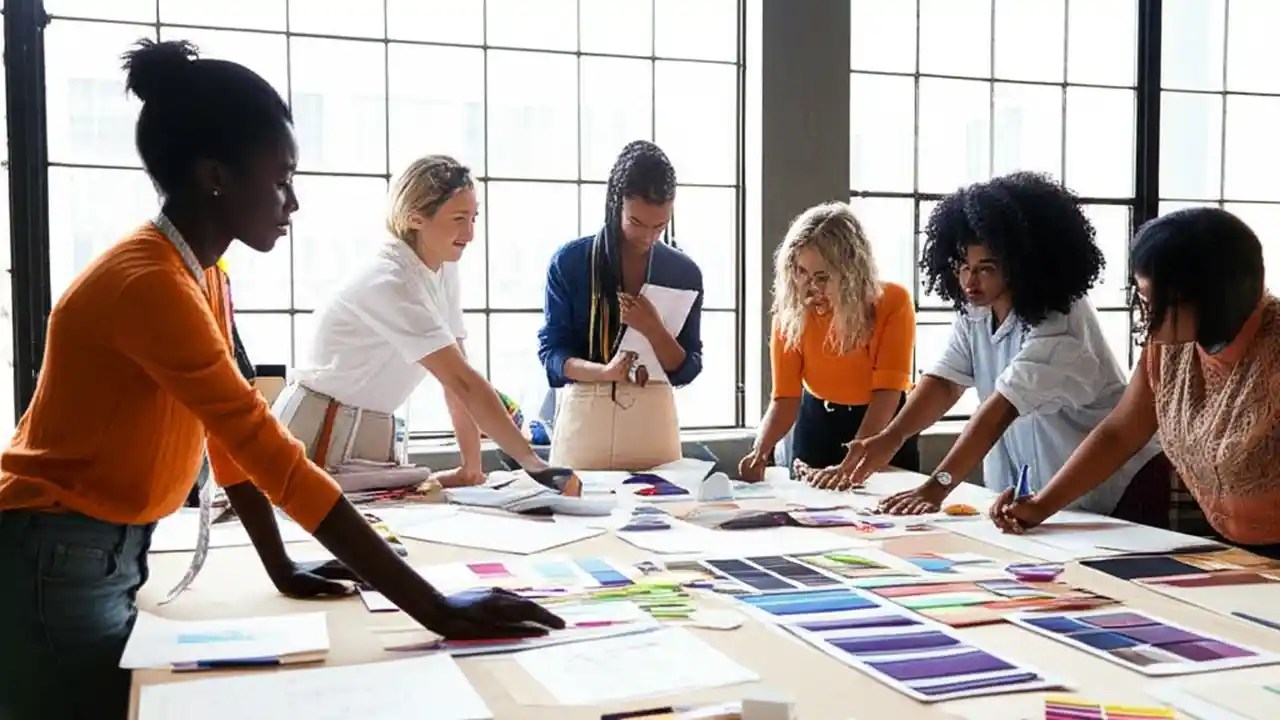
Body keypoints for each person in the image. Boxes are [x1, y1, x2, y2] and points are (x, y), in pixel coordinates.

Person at [0, 40, 563, 720]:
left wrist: (282, 567)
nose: (292, 202)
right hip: (56, 557)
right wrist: (434, 607)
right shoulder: (149, 284)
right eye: (280, 178)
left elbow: (224, 432)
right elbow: (265, 446)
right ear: (216, 175)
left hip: (100, 551)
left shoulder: (202, 273)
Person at [821, 172, 1170, 526]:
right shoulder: (977, 310)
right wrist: (891, 436)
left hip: (1118, 489)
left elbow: (1000, 409)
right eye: (962, 267)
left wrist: (937, 486)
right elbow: (944, 382)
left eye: (986, 269)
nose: (970, 282)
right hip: (1054, 497)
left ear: (1021, 265)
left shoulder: (1061, 320)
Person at [992, 207, 1280, 556]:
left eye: (1152, 302)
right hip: (1235, 549)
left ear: (1212, 298)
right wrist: (1041, 505)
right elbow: (1120, 433)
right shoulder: (1169, 348)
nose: (1144, 315)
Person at [276, 155, 567, 494]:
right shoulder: (391, 279)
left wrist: (472, 467)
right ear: (415, 218)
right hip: (318, 433)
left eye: (474, 217)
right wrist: (535, 464)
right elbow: (463, 382)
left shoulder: (442, 265)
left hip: (362, 438)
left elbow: (456, 375)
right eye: (459, 219)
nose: (470, 233)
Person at [538, 140, 703, 470]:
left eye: (660, 226)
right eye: (637, 222)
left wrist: (653, 329)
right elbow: (552, 354)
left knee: (664, 519)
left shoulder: (684, 272)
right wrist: (604, 372)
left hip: (653, 421)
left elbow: (688, 367)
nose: (649, 236)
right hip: (584, 417)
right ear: (616, 205)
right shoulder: (570, 262)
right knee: (576, 517)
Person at [738, 201, 919, 483]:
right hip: (817, 420)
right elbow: (785, 397)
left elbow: (888, 393)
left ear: (851, 274)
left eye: (823, 277)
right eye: (801, 272)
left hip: (882, 423)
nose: (812, 288)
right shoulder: (790, 314)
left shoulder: (893, 302)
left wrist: (853, 463)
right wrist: (760, 450)